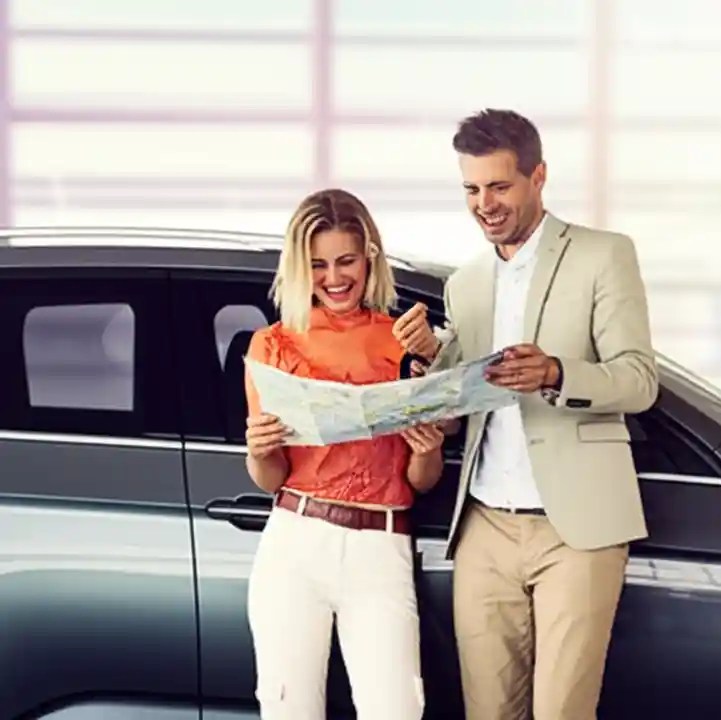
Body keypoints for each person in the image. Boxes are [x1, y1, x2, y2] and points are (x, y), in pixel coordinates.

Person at [392, 108, 658, 719]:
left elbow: (640, 380)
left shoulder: (603, 255)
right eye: (471, 189)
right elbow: (464, 400)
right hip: (484, 524)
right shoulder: (465, 284)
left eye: (499, 186)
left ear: (538, 177)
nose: (484, 203)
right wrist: (430, 364)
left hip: (577, 530)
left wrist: (557, 373)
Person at [242, 188, 445, 719]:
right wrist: (259, 449)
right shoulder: (273, 345)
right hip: (295, 541)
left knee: (395, 709)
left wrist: (428, 447)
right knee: (289, 710)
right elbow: (270, 477)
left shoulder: (403, 342)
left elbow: (422, 480)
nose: (334, 278)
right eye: (318, 265)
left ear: (369, 256)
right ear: (298, 267)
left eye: (346, 260)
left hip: (381, 546)